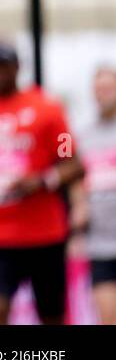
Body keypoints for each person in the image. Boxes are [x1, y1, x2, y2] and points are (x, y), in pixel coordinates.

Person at [0, 41, 83, 325]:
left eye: (4, 65)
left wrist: (41, 180)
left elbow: (72, 163)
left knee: (51, 315)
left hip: (43, 234)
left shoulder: (47, 109)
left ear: (18, 67)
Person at [76, 65, 116, 325]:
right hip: (99, 242)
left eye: (109, 87)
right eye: (99, 89)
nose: (104, 94)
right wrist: (78, 204)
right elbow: (66, 168)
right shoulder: (78, 134)